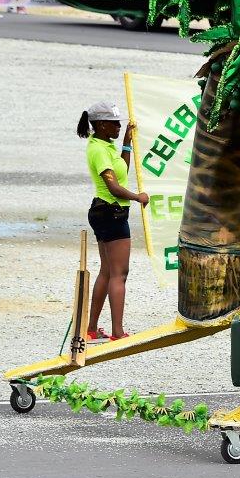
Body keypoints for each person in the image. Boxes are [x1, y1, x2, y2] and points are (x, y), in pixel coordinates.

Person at [78, 102, 148, 342]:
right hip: (112, 212)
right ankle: (118, 332)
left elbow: (121, 172)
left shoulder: (104, 146)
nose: (118, 126)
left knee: (107, 272)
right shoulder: (98, 150)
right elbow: (114, 187)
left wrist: (127, 142)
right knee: (120, 274)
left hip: (105, 212)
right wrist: (138, 197)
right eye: (114, 123)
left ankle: (91, 329)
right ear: (100, 124)